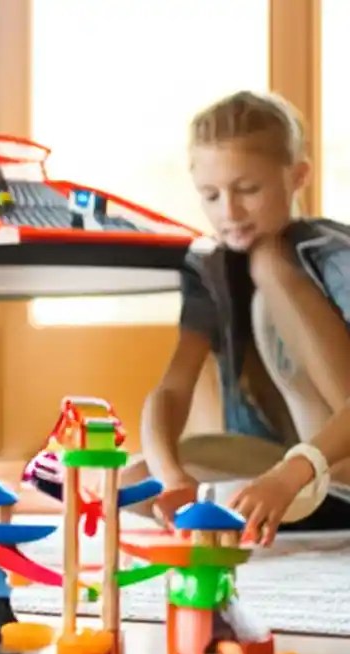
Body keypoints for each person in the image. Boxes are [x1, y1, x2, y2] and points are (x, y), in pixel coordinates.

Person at [26, 90, 350, 543]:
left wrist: (292, 473)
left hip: (324, 461)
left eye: (248, 190)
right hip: (279, 458)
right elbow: (173, 388)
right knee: (130, 482)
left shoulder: (332, 254)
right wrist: (172, 477)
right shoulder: (211, 268)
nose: (229, 212)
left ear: (298, 176)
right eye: (211, 196)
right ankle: (258, 494)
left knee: (269, 261)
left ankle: (314, 484)